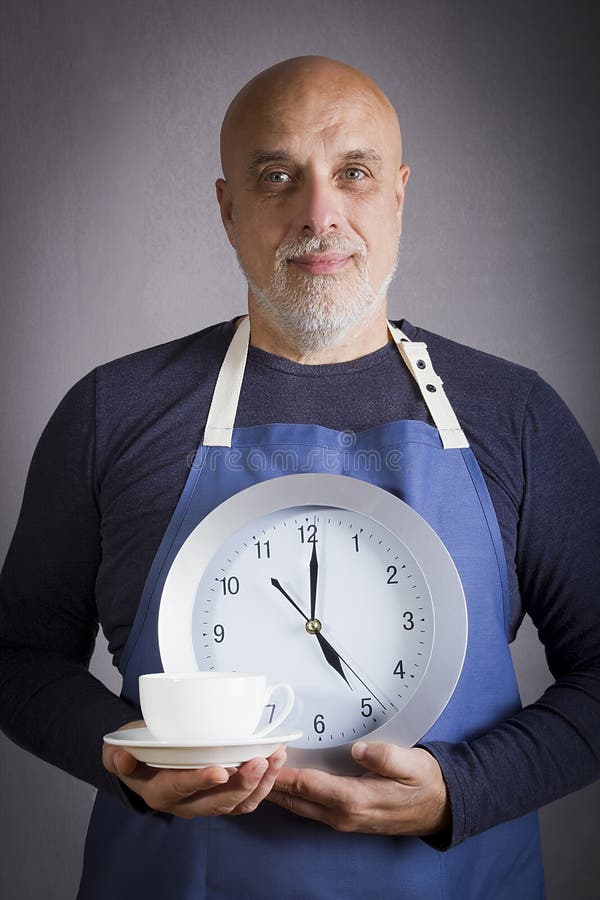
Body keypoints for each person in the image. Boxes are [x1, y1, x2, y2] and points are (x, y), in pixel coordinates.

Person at [0, 55, 598, 900]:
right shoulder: (114, 410)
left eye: (353, 174)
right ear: (228, 209)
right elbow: (17, 656)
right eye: (278, 176)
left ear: (397, 195)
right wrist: (126, 759)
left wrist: (464, 790)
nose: (320, 215)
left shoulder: (515, 414)